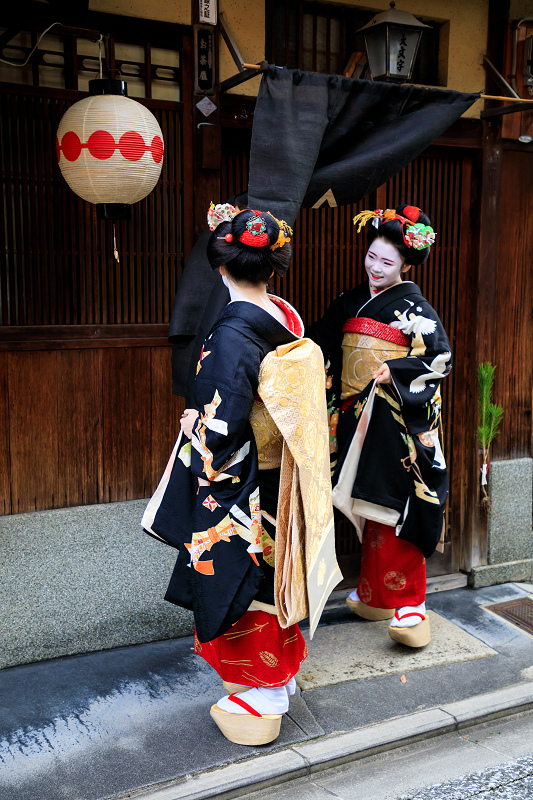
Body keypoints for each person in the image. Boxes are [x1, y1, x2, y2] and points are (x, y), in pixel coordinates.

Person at [143, 206, 339, 745]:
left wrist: (196, 426)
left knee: (239, 575)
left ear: (220, 265)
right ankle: (283, 673)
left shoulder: (232, 333)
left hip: (245, 482)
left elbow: (223, 428)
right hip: (282, 476)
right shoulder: (285, 318)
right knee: (276, 574)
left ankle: (262, 694)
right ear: (272, 267)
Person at [307, 205, 451, 648]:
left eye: (386, 262)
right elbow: (322, 339)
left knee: (396, 504)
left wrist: (400, 371)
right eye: (371, 256)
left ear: (405, 265)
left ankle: (411, 604)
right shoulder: (351, 301)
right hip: (353, 415)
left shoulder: (416, 309)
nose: (375, 267)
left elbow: (439, 359)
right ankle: (375, 594)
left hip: (393, 423)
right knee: (365, 503)